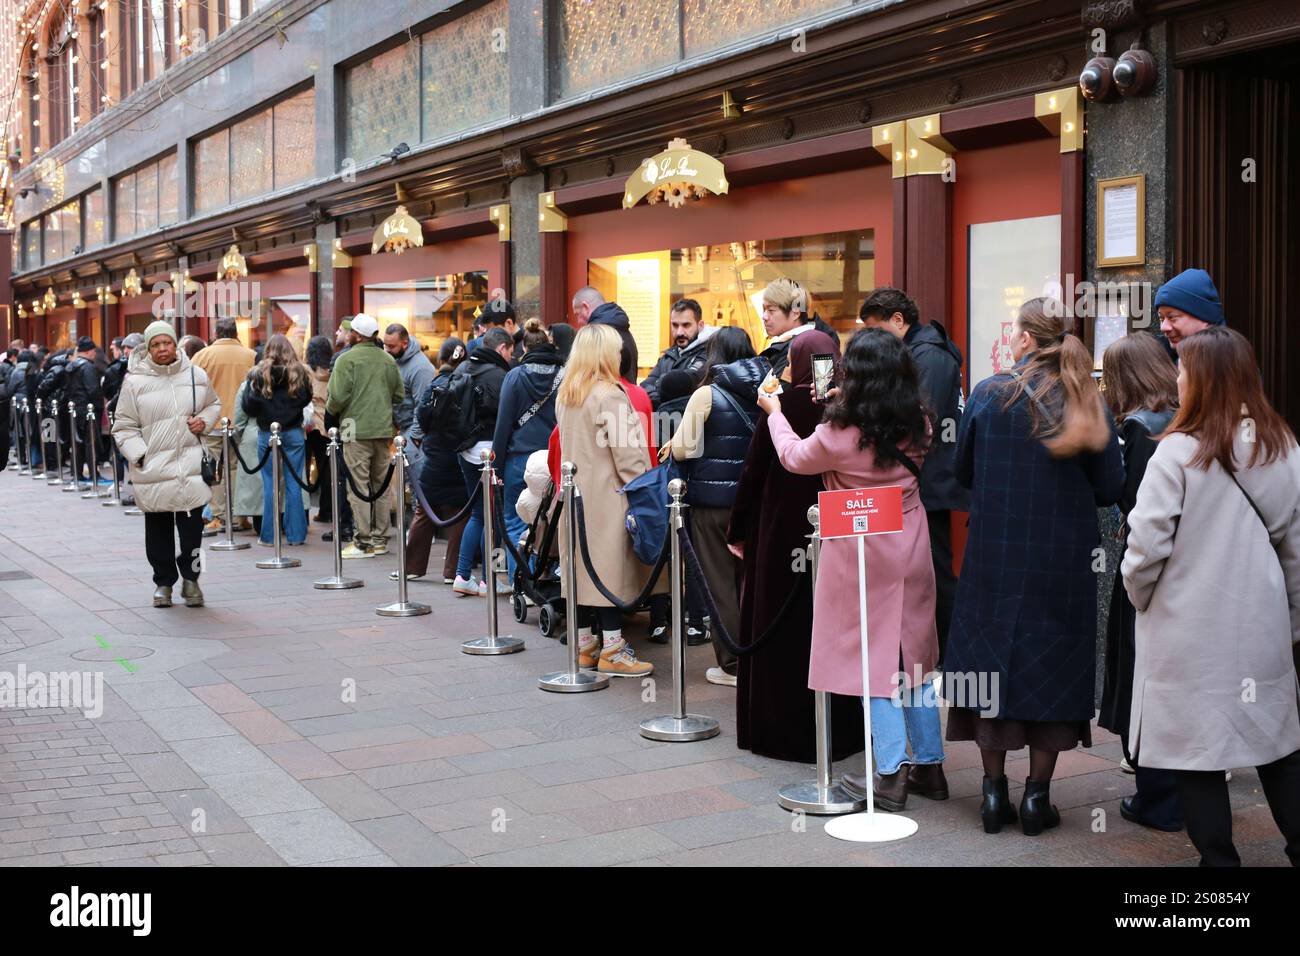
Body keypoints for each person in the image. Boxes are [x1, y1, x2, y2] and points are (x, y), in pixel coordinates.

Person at [943, 297, 1122, 836]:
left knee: (989, 663)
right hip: (1063, 559)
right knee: (1055, 662)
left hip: (995, 553)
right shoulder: (1085, 398)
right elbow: (1112, 487)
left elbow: (963, 471)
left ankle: (992, 796)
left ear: (1023, 339)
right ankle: (1036, 799)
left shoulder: (988, 394)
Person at [1122, 327, 1300, 866]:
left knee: (1196, 753)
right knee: (1278, 748)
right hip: (1261, 625)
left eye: (1182, 369)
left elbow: (1144, 549)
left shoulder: (1176, 453)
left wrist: (1142, 597)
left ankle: (1219, 866)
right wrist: (1290, 620)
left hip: (1187, 630)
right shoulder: (1282, 445)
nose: (1176, 378)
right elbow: (1295, 549)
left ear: (1200, 380)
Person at [759, 328, 942, 811]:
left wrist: (776, 415)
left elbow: (793, 458)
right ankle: (930, 764)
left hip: (863, 547)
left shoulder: (838, 432)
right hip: (913, 539)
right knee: (915, 655)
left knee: (872, 660)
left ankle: (889, 773)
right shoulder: (920, 420)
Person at [727, 330, 865, 764]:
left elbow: (753, 472)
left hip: (780, 528)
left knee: (779, 626)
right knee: (828, 626)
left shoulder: (781, 405)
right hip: (838, 525)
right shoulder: (849, 406)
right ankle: (839, 730)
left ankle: (777, 729)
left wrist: (738, 531)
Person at [1097, 331, 1182, 833]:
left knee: (1141, 675)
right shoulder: (1185, 420)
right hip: (1191, 571)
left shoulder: (1135, 429)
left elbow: (1126, 500)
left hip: (1147, 570)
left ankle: (1156, 794)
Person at [859, 288, 970, 663]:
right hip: (924, 479)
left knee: (935, 571)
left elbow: (922, 420)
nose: (873, 340)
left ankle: (949, 657)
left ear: (898, 320)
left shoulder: (930, 356)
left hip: (931, 481)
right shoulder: (920, 351)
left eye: (877, 330)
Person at [555, 324, 655, 678]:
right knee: (609, 574)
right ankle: (613, 649)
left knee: (582, 573)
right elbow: (629, 457)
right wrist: (646, 491)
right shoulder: (609, 394)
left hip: (576, 497)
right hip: (609, 500)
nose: (620, 355)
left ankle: (585, 647)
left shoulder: (568, 393)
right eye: (615, 349)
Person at [665, 327, 761, 684]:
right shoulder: (768, 389)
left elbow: (685, 448)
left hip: (712, 504)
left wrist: (671, 444)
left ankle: (734, 664)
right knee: (750, 581)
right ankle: (758, 652)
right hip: (754, 502)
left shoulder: (707, 393)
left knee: (719, 583)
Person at [111, 321, 221, 608]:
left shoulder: (196, 375)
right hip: (154, 470)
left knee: (192, 533)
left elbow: (214, 405)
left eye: (167, 343)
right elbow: (123, 426)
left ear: (175, 345)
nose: (162, 349)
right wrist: (140, 455)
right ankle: (163, 583)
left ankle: (192, 580)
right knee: (158, 531)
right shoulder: (134, 382)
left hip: (190, 467)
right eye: (156, 344)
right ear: (148, 349)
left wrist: (205, 421)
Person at [325, 313, 404, 559]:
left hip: (353, 429)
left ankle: (363, 541)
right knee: (381, 486)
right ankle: (380, 538)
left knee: (357, 487)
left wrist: (331, 413)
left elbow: (336, 398)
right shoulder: (387, 360)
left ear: (357, 335)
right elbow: (399, 395)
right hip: (383, 429)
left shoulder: (346, 360)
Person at [492, 318, 564, 581]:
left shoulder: (515, 376)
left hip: (519, 458)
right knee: (548, 521)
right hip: (552, 457)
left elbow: (503, 424)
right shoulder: (565, 375)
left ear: (524, 348)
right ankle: (544, 576)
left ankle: (519, 581)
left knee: (514, 520)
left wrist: (496, 464)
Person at [450, 326, 513, 595]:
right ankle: (489, 579)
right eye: (510, 351)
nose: (512, 356)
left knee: (477, 514)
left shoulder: (462, 368)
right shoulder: (500, 375)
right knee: (494, 518)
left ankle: (463, 575)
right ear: (501, 348)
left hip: (464, 449)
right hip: (489, 452)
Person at [404, 339, 471, 584]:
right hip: (460, 454)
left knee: (424, 510)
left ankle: (413, 566)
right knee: (461, 512)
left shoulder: (435, 385)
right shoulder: (468, 384)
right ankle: (452, 570)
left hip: (434, 453)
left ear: (441, 358)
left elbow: (421, 418)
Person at [242, 334, 314, 547]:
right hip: (292, 431)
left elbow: (248, 406)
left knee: (270, 484)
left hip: (267, 432)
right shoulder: (299, 373)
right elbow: (306, 398)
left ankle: (269, 535)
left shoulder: (258, 375)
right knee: (294, 484)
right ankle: (296, 535)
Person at [192, 319, 256, 533]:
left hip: (211, 422)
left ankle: (218, 515)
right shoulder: (251, 356)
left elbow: (192, 389)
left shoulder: (202, 356)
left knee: (213, 470)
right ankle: (239, 515)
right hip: (241, 422)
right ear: (236, 332)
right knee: (237, 468)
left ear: (215, 333)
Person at [640, 299, 716, 407]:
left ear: (700, 325)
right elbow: (645, 385)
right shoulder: (668, 356)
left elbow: (685, 383)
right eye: (675, 325)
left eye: (686, 325)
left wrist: (657, 392)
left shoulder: (709, 353)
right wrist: (659, 396)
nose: (680, 332)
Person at [758, 277, 839, 376]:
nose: (764, 317)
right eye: (764, 309)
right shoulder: (810, 341)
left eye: (771, 310)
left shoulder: (812, 345)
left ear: (796, 313)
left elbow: (823, 389)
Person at [383, 324, 435, 478]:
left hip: (414, 433)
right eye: (385, 345)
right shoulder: (395, 358)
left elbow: (423, 406)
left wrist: (415, 438)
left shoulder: (421, 368)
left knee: (416, 484)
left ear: (404, 343)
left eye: (391, 346)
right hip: (402, 430)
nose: (387, 350)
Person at [64, 337, 105, 482]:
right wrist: (100, 406)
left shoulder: (71, 366)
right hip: (88, 409)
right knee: (91, 442)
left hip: (75, 408)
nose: (95, 354)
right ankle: (94, 474)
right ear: (88, 351)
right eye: (93, 351)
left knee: (77, 442)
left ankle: (77, 473)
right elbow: (93, 390)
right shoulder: (88, 367)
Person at [304, 335, 335, 526]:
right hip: (326, 424)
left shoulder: (305, 371)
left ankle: (304, 512)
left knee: (303, 469)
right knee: (326, 470)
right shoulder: (333, 371)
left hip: (307, 423)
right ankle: (326, 511)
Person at [1156, 268, 1225, 352]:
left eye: (1172, 317)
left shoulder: (1229, 360)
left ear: (1204, 318)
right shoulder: (1157, 355)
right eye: (1161, 318)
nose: (1163, 327)